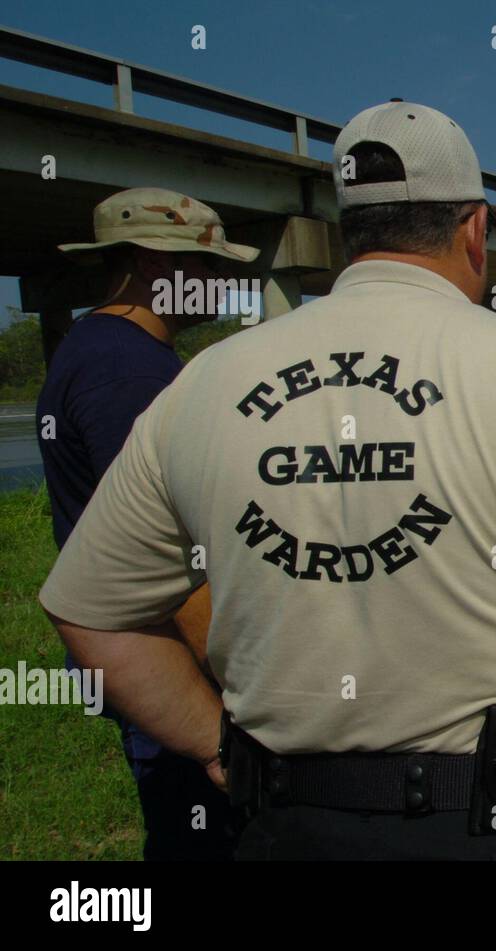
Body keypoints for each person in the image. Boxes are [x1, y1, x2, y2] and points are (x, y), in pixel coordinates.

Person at [39, 101, 496, 860]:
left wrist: (215, 743)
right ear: (475, 230)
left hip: (282, 823)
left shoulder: (199, 386)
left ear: (350, 234)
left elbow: (92, 611)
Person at [38, 187, 257, 860]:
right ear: (152, 265)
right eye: (209, 267)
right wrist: (241, 680)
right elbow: (165, 553)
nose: (222, 285)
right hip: (174, 666)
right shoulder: (125, 369)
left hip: (157, 660)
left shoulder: (104, 349)